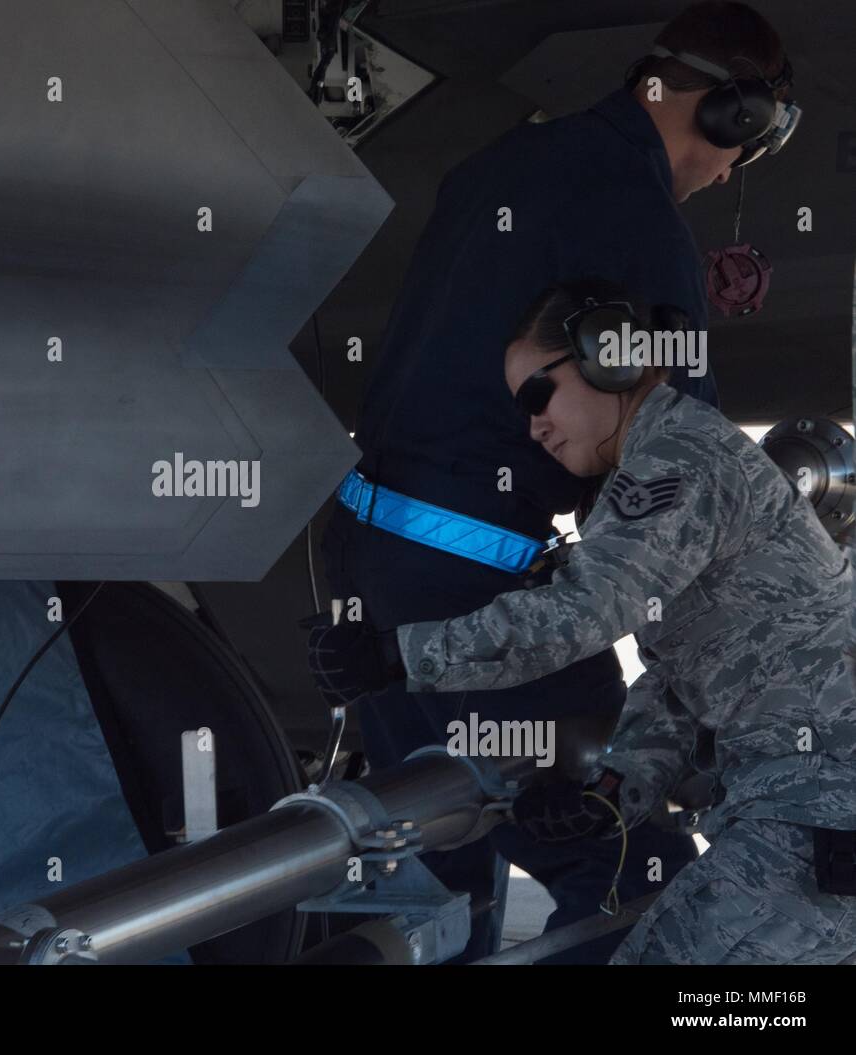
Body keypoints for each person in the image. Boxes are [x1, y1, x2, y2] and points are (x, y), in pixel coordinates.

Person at [317, 1, 800, 961]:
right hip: (464, 581)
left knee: (437, 855)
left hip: (360, 562)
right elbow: (679, 475)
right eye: (746, 146)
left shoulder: (499, 164)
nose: (731, 172)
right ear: (727, 114)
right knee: (633, 865)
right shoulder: (638, 210)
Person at [310, 279, 856, 964]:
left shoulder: (678, 462)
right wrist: (614, 791)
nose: (533, 424)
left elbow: (581, 610)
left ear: (611, 360)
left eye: (539, 394)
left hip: (819, 809)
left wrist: (398, 653)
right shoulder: (676, 461)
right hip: (810, 807)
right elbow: (682, 681)